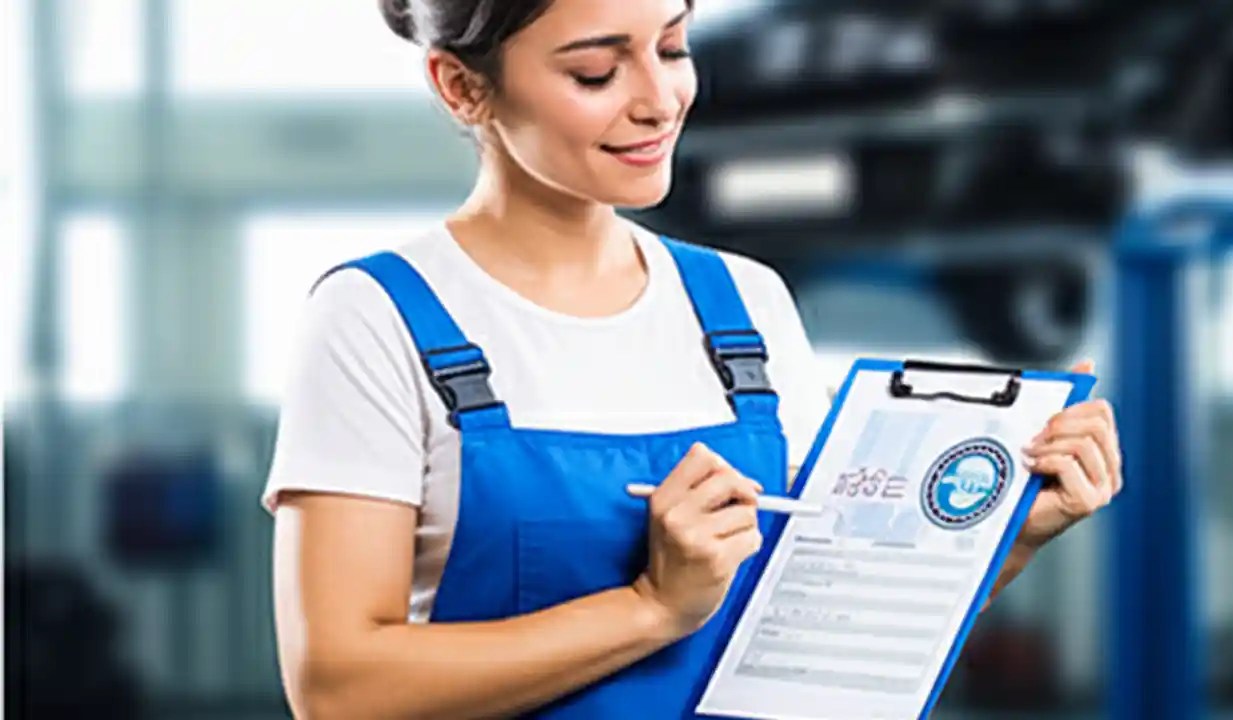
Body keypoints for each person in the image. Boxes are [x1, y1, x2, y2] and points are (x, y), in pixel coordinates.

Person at [262, 1, 1125, 717]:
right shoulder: (377, 318)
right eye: (597, 72)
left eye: (672, 47)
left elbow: (818, 639)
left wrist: (1001, 540)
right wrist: (649, 609)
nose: (659, 100)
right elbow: (340, 690)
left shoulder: (745, 307)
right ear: (461, 87)